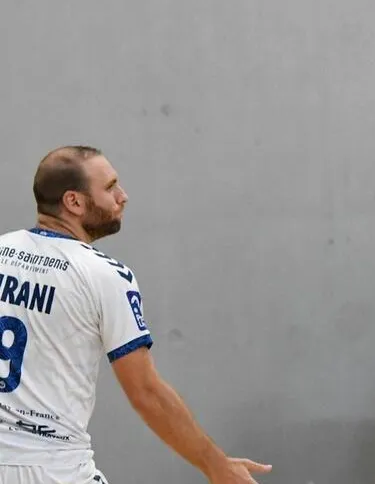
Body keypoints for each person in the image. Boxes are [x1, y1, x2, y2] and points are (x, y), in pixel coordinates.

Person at [0, 146, 271, 484]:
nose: (123, 196)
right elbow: (145, 393)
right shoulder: (104, 275)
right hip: (54, 469)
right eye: (110, 187)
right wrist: (215, 464)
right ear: (74, 202)